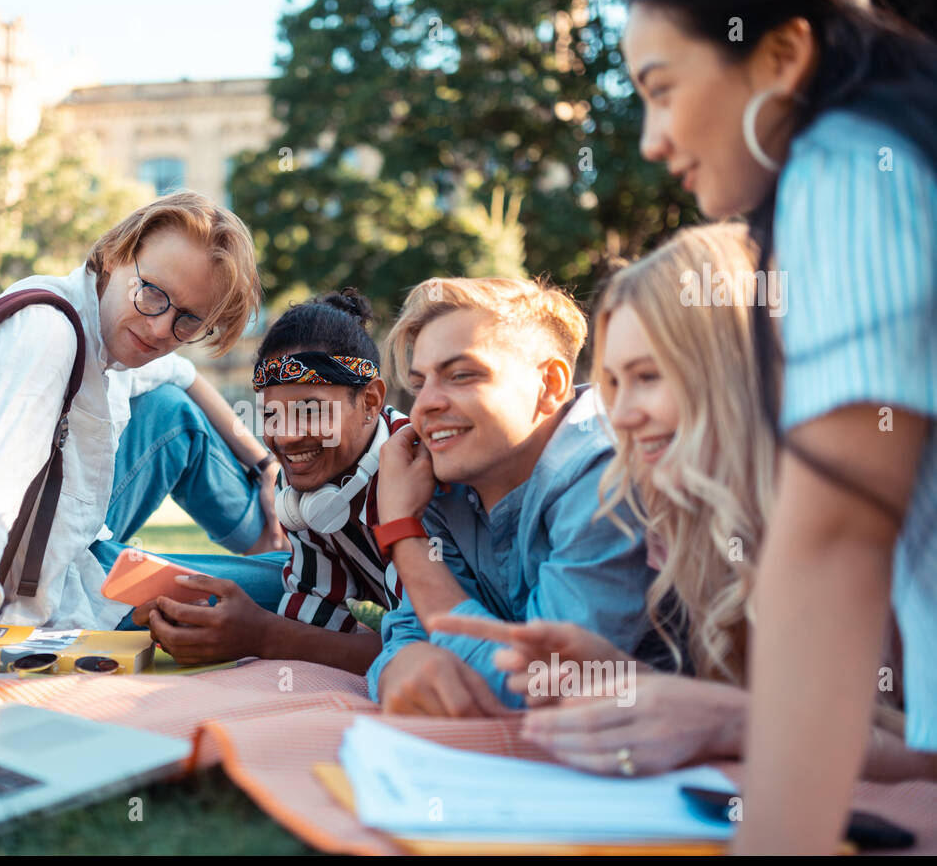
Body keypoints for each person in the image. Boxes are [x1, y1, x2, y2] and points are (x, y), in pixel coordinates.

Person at [435, 224, 929, 782]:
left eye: (648, 376)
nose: (620, 415)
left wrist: (736, 722)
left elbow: (913, 752)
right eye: (614, 383)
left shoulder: (902, 516)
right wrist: (620, 679)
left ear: (739, 370)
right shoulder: (699, 525)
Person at [620, 0, 937, 853]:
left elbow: (838, 538)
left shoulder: (843, 162)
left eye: (661, 88)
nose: (650, 140)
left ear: (781, 58)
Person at [0, 192, 285, 736]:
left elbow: (183, 377)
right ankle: (306, 560)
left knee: (176, 414)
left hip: (75, 549)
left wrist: (263, 463)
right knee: (288, 592)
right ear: (114, 253)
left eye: (187, 321)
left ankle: (280, 537)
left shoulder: (108, 329)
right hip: (37, 597)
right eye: (152, 294)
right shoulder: (47, 334)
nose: (158, 331)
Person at [367, 276, 664, 717]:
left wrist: (403, 535)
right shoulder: (442, 482)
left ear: (549, 385)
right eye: (419, 384)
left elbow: (543, 688)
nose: (423, 406)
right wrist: (402, 666)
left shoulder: (607, 475)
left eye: (461, 375)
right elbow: (407, 636)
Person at [141, 289, 409, 675]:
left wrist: (264, 637)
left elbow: (427, 651)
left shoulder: (418, 474)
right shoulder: (303, 484)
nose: (284, 437)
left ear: (370, 402)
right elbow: (313, 618)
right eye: (271, 415)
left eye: (311, 410)